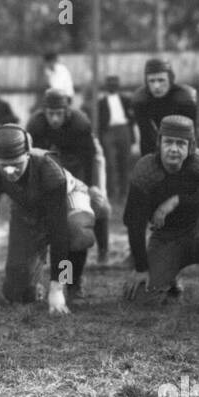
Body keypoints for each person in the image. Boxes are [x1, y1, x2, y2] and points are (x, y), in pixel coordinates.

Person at [0, 124, 94, 315]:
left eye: (17, 164)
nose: (10, 172)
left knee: (76, 232)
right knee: (16, 292)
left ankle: (72, 282)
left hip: (66, 201)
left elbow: (59, 234)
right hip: (28, 207)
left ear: (28, 155)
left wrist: (57, 287)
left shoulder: (49, 170)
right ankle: (35, 284)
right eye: (4, 166)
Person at [121, 115, 199, 313]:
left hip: (197, 232)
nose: (173, 149)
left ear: (190, 147)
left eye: (181, 143)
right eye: (168, 142)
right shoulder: (146, 168)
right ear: (159, 143)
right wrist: (141, 267)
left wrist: (177, 200)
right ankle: (171, 279)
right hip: (165, 238)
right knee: (141, 299)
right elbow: (133, 221)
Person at [26, 88, 114, 266]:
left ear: (67, 112)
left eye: (59, 114)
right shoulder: (36, 125)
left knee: (98, 204)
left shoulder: (79, 123)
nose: (55, 119)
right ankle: (43, 262)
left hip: (82, 161)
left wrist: (91, 186)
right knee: (36, 211)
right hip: (53, 162)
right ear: (44, 112)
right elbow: (32, 162)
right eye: (51, 114)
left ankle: (101, 253)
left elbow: (89, 158)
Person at [130, 58, 199, 157]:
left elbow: (191, 135)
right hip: (157, 139)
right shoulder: (140, 101)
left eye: (161, 80)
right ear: (146, 82)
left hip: (186, 136)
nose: (156, 86)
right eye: (152, 81)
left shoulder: (185, 98)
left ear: (170, 80)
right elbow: (146, 136)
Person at [97, 74, 137, 206]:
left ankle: (124, 194)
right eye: (110, 83)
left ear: (118, 86)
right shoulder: (101, 102)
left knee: (124, 162)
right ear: (106, 86)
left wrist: (130, 132)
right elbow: (99, 121)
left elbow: (133, 116)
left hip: (123, 130)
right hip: (109, 131)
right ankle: (112, 194)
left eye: (115, 83)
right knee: (110, 163)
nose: (112, 86)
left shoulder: (126, 100)